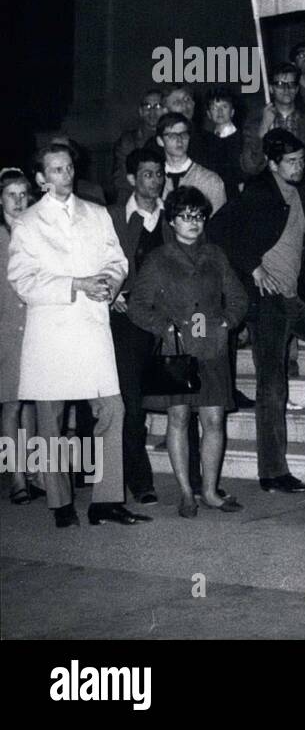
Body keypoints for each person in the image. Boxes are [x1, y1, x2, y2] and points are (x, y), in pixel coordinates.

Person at [212, 129, 305, 490]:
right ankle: (273, 472)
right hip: (266, 302)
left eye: (301, 161)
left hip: (296, 300)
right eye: (291, 163)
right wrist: (253, 266)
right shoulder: (257, 192)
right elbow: (217, 230)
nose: (298, 168)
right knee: (272, 384)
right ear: (273, 163)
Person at [7, 143, 149, 527]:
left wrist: (109, 282)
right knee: (51, 419)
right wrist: (76, 283)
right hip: (51, 332)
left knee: (111, 409)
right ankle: (61, 503)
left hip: (90, 328)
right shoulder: (28, 223)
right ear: (40, 178)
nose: (65, 176)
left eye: (68, 168)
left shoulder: (97, 213)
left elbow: (116, 259)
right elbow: (22, 280)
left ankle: (105, 500)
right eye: (55, 170)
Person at [127, 186, 248, 517]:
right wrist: (166, 327)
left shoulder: (216, 256)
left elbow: (238, 298)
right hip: (175, 350)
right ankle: (185, 493)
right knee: (178, 418)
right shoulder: (158, 259)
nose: (193, 222)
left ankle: (209, 491)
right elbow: (137, 306)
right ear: (172, 220)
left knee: (213, 419)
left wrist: (226, 324)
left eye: (199, 216)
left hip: (211, 349)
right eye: (185, 216)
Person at [108, 146, 169, 507]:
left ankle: (192, 481)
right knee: (131, 402)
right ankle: (140, 480)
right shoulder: (114, 217)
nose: (156, 180)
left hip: (165, 320)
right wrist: (110, 293)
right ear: (132, 179)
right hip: (127, 320)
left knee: (178, 399)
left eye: (160, 174)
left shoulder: (171, 217)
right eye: (148, 174)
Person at [1, 169, 43, 506]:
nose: (18, 201)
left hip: (36, 326)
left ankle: (34, 471)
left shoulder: (35, 232)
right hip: (5, 330)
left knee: (33, 401)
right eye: (11, 194)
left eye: (23, 194)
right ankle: (15, 476)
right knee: (11, 404)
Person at [242, 63, 305, 176]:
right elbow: (249, 167)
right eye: (279, 84)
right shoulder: (254, 125)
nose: (286, 89)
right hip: (269, 188)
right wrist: (263, 128)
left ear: (297, 89)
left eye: (291, 84)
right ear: (271, 89)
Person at [155, 112, 226, 215]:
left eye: (183, 134)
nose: (179, 140)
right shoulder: (155, 179)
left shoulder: (211, 180)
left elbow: (218, 224)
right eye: (172, 135)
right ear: (160, 141)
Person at [110, 89, 164, 204]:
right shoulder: (128, 141)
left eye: (158, 106)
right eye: (147, 106)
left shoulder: (174, 138)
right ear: (140, 111)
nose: (152, 111)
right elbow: (121, 180)